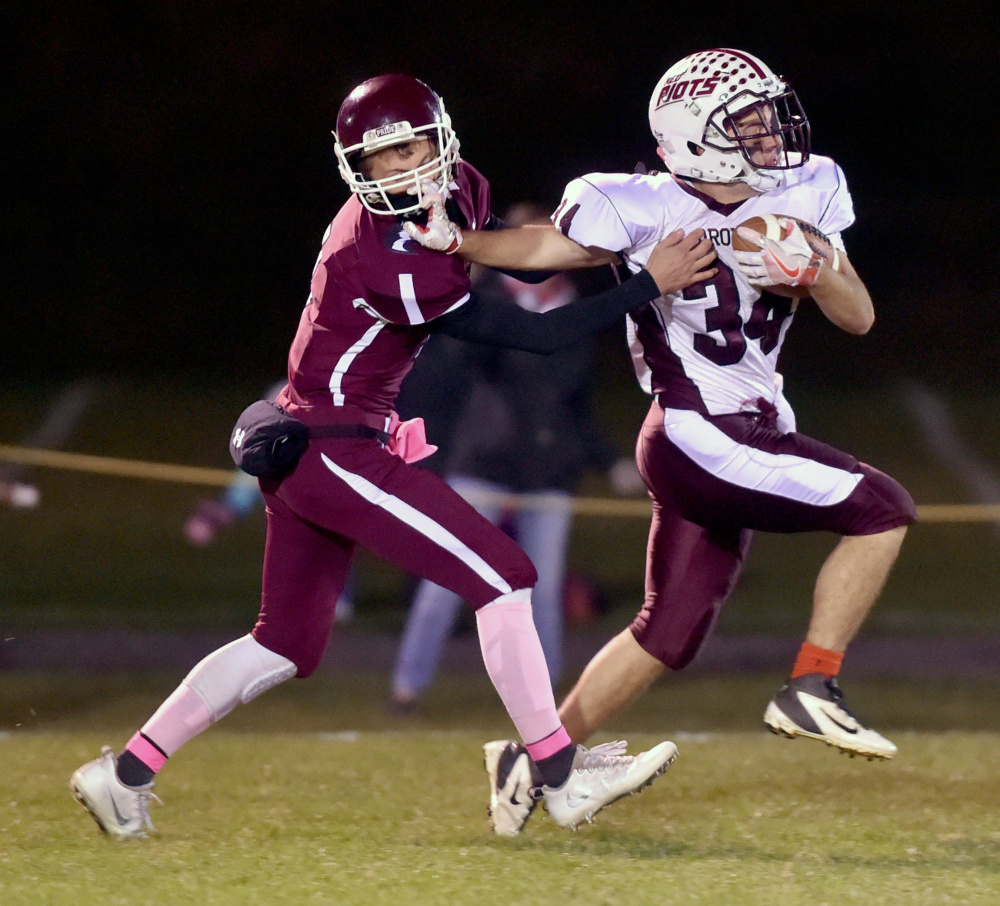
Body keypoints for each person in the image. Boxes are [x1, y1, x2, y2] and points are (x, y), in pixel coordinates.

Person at [69, 73, 717, 839]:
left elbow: (527, 266)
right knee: (504, 577)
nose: (401, 168)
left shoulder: (461, 188)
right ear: (357, 167)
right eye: (381, 158)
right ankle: (559, 775)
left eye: (410, 148)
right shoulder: (381, 254)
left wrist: (619, 239)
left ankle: (124, 775)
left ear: (440, 141)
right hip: (331, 447)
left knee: (283, 643)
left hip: (326, 440)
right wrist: (648, 283)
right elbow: (537, 335)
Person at [403, 48, 917, 836]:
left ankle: (533, 762)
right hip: (696, 430)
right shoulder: (634, 204)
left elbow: (860, 316)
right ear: (698, 137)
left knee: (666, 635)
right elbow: (542, 249)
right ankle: (812, 685)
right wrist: (457, 243)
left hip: (743, 426)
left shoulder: (809, 186)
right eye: (748, 122)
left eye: (768, 116)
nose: (771, 133)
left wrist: (817, 268)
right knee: (883, 508)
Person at [390, 203, 645, 712]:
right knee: (446, 578)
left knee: (543, 591)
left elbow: (577, 404)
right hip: (484, 461)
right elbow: (449, 362)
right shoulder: (484, 299)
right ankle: (406, 688)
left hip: (549, 470)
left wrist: (611, 461)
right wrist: (473, 283)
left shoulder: (576, 309)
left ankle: (546, 705)